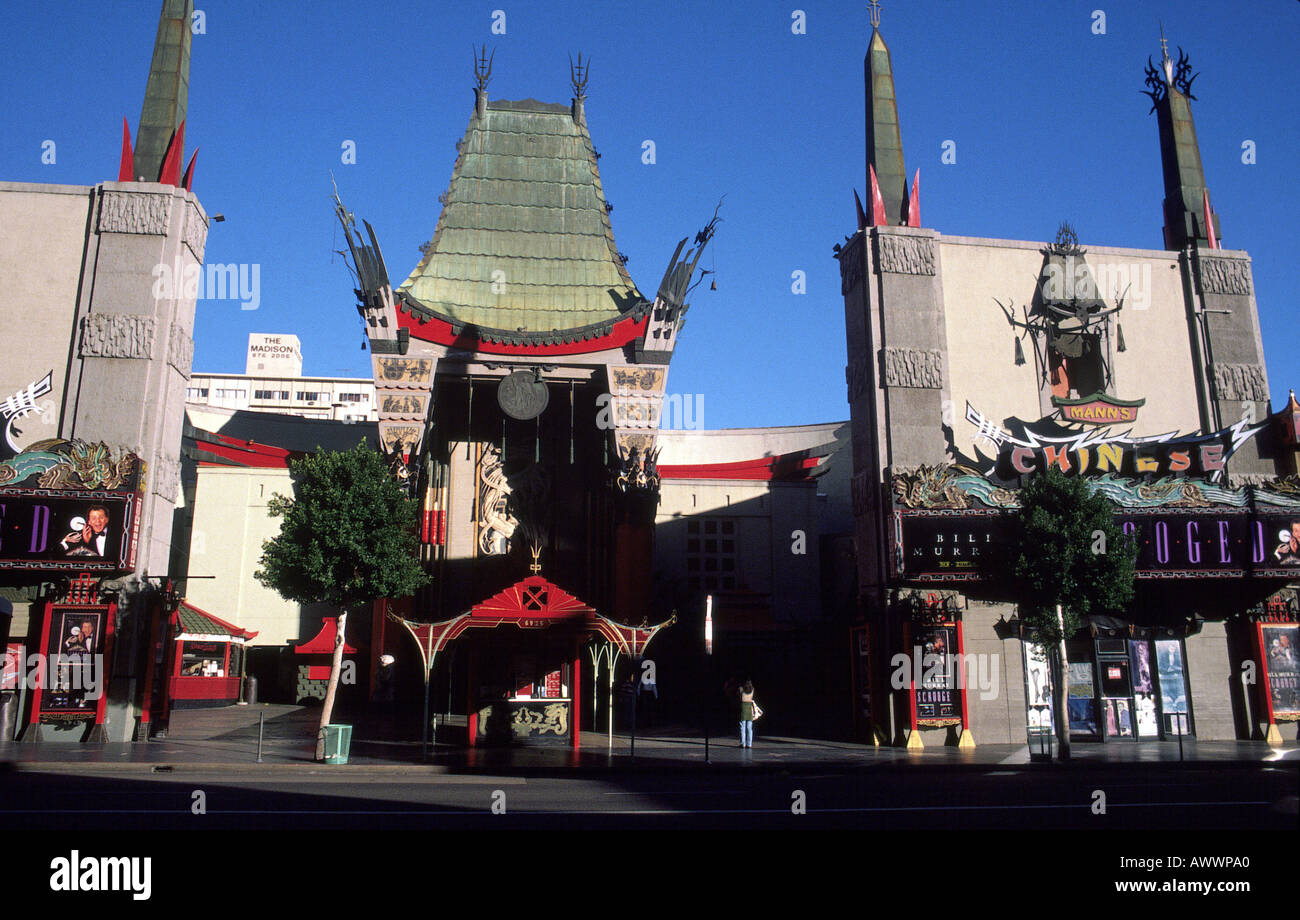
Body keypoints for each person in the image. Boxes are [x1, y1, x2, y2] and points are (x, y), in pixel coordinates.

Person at [738, 679, 759, 748]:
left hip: (743, 708)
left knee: (742, 727)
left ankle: (742, 743)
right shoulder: (752, 689)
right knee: (749, 728)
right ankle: (749, 744)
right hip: (749, 709)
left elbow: (739, 697)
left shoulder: (741, 689)